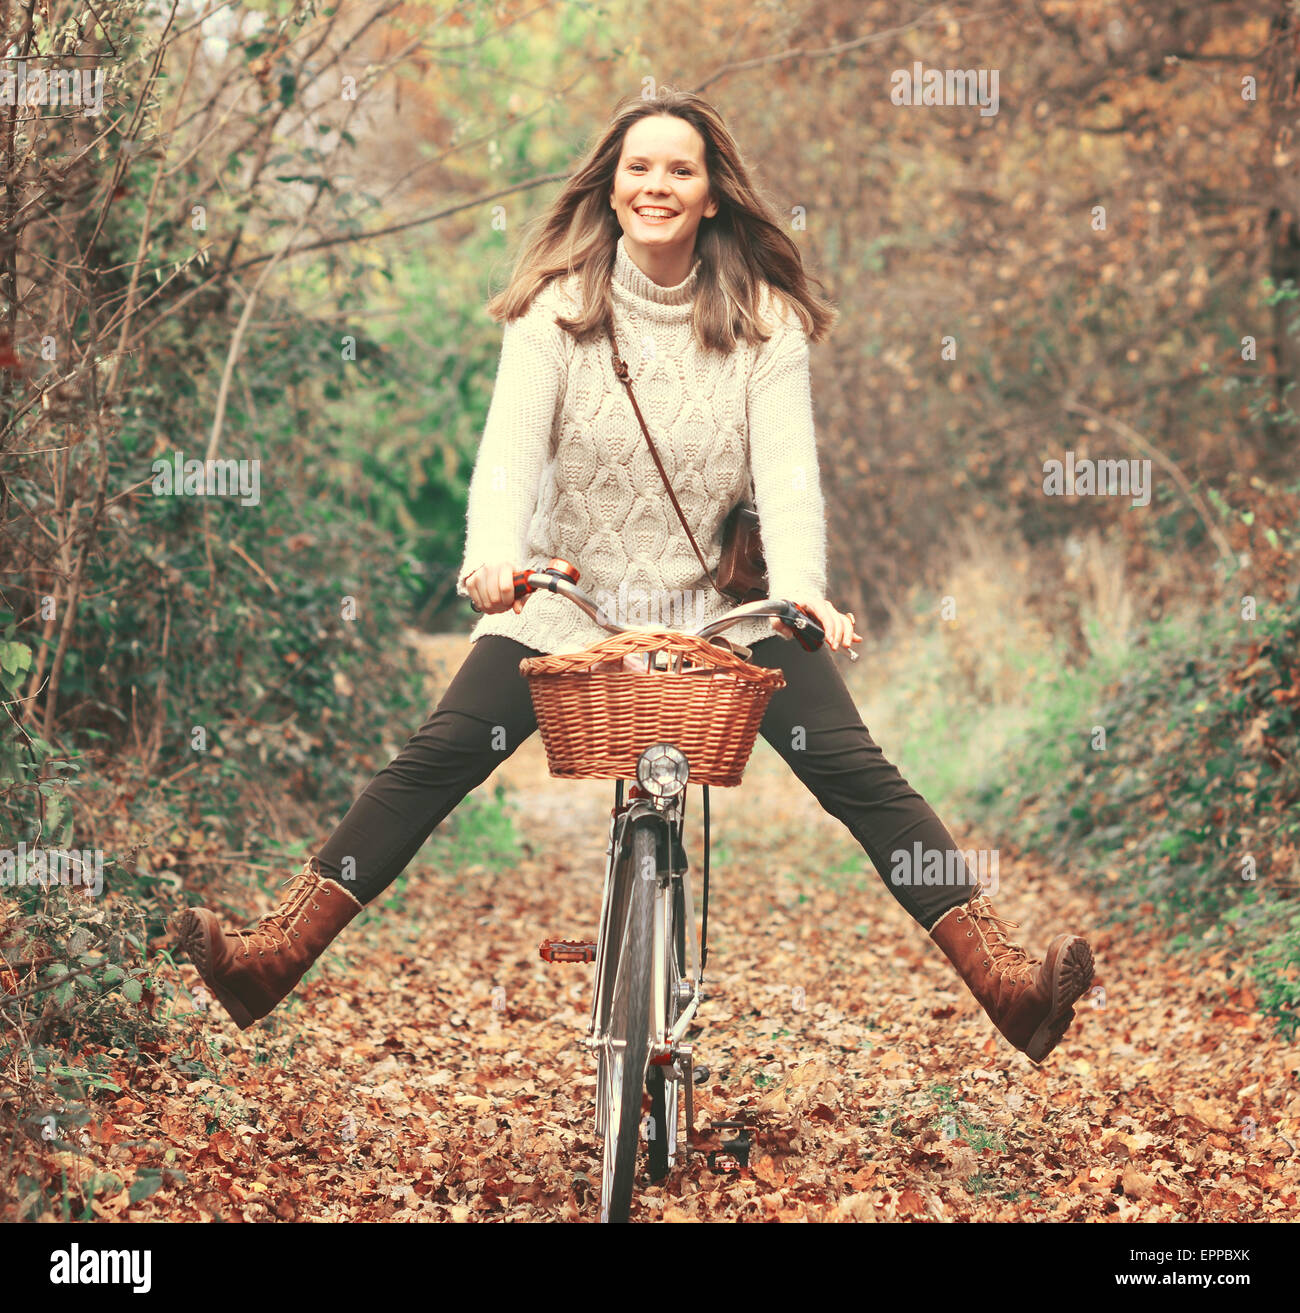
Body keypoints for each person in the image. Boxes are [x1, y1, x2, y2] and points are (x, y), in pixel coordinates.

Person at [171, 89, 1094, 1064]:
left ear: (710, 198)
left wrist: (808, 591)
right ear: (610, 190)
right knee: (436, 753)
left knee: (857, 768)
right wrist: (491, 558)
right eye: (639, 168)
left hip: (724, 610)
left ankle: (1006, 983)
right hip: (573, 603)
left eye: (680, 170)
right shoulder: (553, 315)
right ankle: (270, 955)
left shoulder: (763, 322)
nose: (657, 184)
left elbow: (787, 478)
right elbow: (508, 459)